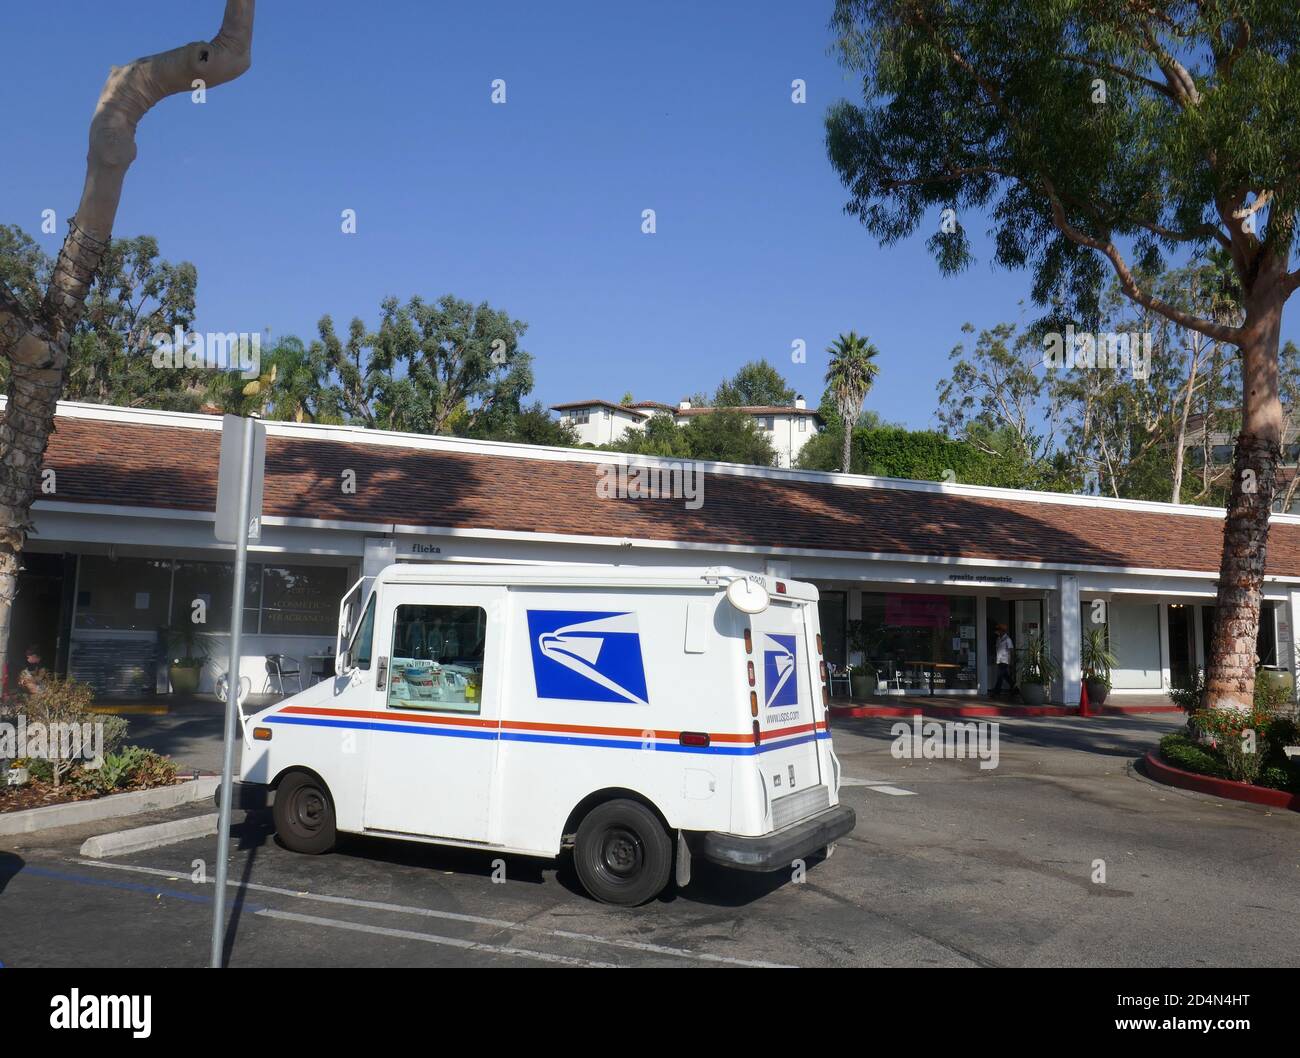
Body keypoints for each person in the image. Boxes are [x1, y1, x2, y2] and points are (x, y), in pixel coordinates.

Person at [991, 625, 1015, 695]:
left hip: (1005, 661)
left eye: (998, 630)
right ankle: (1015, 687)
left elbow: (1011, 650)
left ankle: (996, 692)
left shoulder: (1008, 639)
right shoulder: (998, 639)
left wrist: (1011, 661)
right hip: (999, 660)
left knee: (1000, 676)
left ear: (1002, 631)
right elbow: (997, 649)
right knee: (1005, 676)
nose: (997, 632)